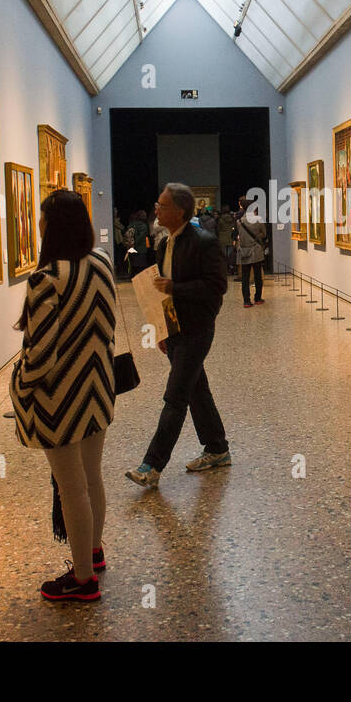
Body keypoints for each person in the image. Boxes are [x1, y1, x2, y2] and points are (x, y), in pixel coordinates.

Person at [9, 189, 117, 602]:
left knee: (71, 488)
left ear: (52, 227)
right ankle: (93, 551)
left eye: (42, 219)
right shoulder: (102, 263)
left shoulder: (46, 279)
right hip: (97, 390)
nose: (38, 225)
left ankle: (84, 580)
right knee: (92, 478)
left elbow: (41, 352)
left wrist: (21, 383)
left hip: (59, 400)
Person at [125, 182, 231, 487]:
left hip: (197, 330)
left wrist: (176, 288)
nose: (156, 209)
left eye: (162, 205)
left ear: (180, 211)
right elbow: (162, 293)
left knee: (175, 396)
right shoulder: (163, 245)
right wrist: (162, 328)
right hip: (174, 330)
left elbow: (217, 287)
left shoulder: (204, 242)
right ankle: (217, 448)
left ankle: (152, 466)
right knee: (197, 389)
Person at [236, 203, 267, 307]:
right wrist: (258, 236)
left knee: (245, 278)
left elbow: (239, 235)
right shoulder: (258, 219)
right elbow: (264, 234)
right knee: (258, 276)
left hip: (244, 251)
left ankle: (246, 301)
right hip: (256, 251)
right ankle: (257, 298)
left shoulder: (239, 221)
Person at [216, 205, 236, 276]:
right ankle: (231, 269)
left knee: (223, 255)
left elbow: (218, 229)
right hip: (230, 238)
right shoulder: (232, 219)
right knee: (230, 255)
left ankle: (224, 270)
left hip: (222, 238)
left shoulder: (220, 219)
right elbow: (234, 227)